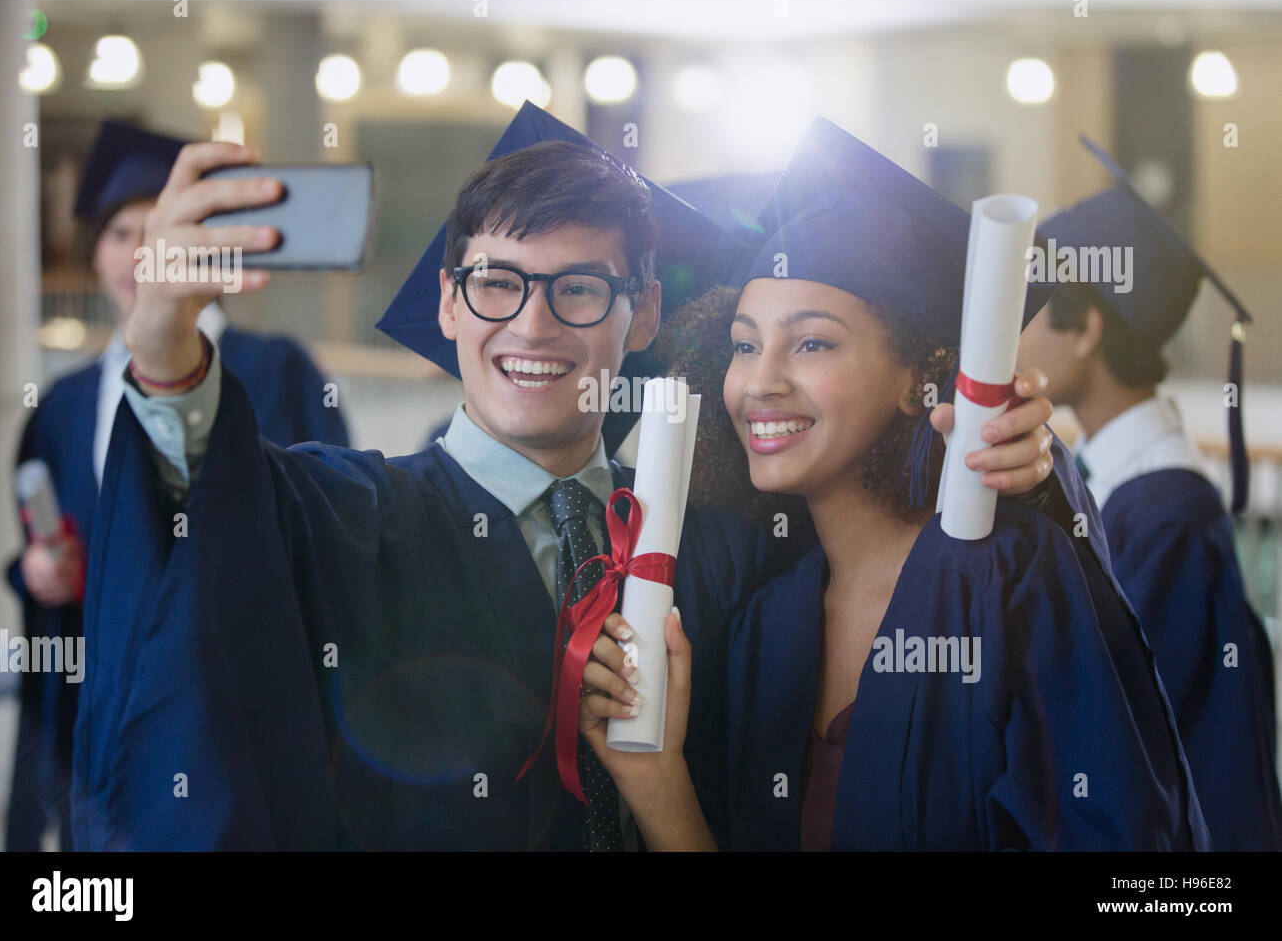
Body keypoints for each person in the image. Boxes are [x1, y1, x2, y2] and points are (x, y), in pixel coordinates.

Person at [71, 103, 1056, 850]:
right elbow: (200, 508)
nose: (531, 326)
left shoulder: (729, 542)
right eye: (496, 283)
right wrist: (164, 350)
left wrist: (1007, 458)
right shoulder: (337, 515)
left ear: (641, 316)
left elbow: (900, 528)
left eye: (580, 288)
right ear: (449, 306)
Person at [579, 119, 1210, 851]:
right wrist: (658, 780)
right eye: (746, 345)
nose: (761, 382)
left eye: (812, 342)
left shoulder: (1011, 581)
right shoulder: (767, 621)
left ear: (921, 377)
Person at [4, 120, 349, 851]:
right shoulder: (62, 403)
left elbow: (326, 526)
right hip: (95, 698)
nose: (140, 251)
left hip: (231, 701)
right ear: (93, 253)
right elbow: (40, 538)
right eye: (121, 231)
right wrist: (39, 572)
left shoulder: (279, 368)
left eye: (161, 226)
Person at [1016, 136, 1281, 850]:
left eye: (1033, 304)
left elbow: (1127, 742)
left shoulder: (1166, 519)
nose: (1015, 326)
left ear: (1087, 332)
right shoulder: (1132, 491)